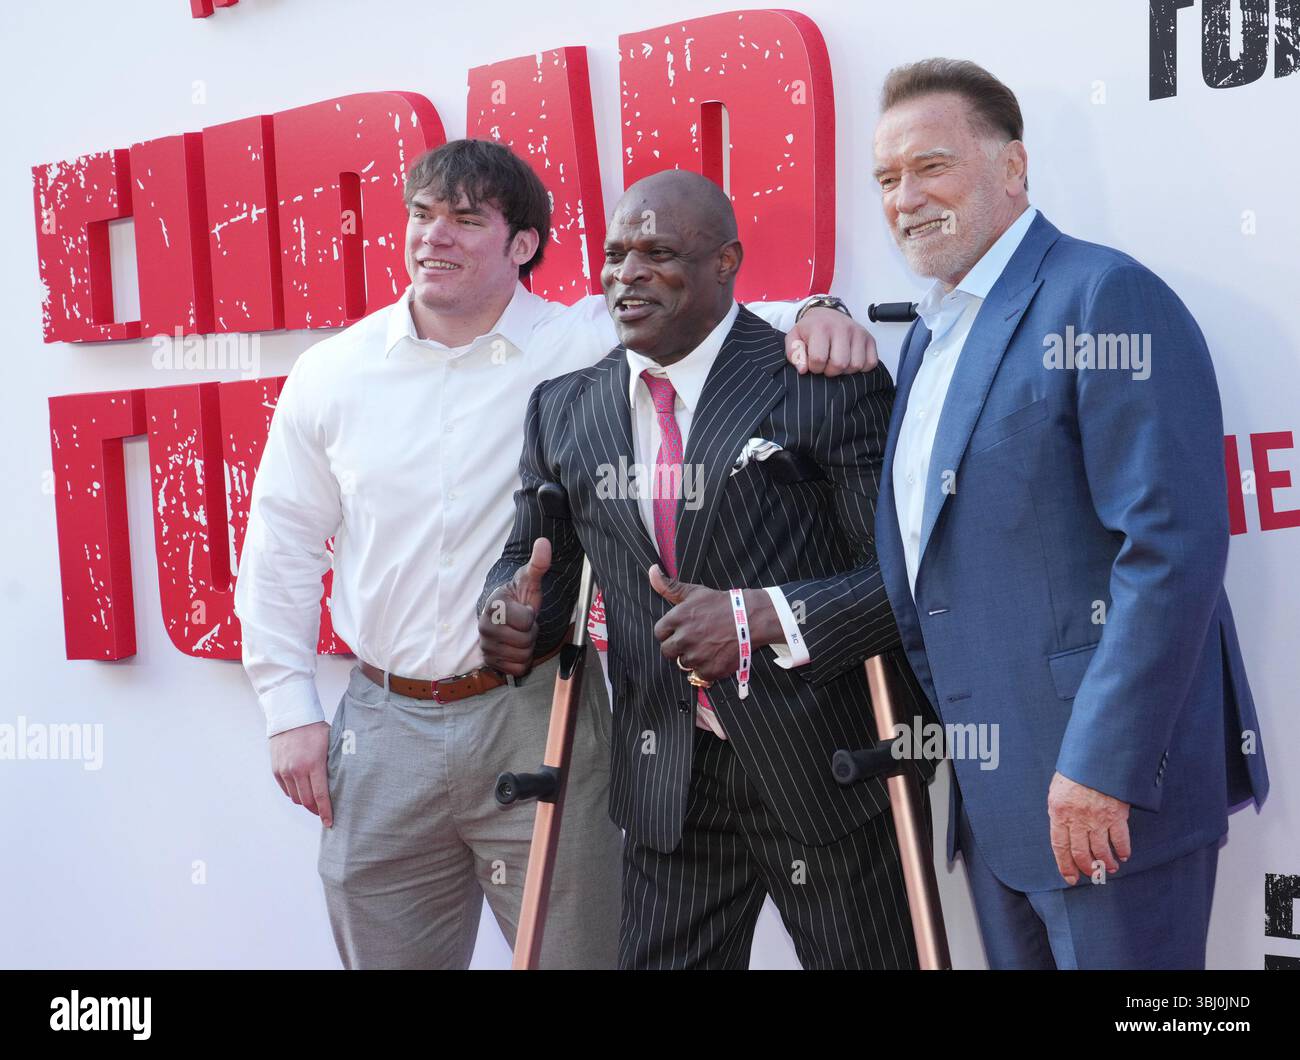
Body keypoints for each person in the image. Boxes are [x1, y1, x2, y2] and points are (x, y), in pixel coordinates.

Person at [233, 138, 879, 969]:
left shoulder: (584, 342)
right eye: (423, 216)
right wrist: (289, 710)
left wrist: (821, 309)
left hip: (542, 717)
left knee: (582, 953)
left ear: (524, 245)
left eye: (467, 220)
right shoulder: (331, 372)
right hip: (382, 722)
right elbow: (282, 545)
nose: (435, 237)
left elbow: (721, 316)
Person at [478, 169, 935, 970]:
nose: (629, 274)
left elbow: (908, 579)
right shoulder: (563, 409)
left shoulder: (821, 382)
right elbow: (533, 566)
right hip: (667, 786)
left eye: (659, 252)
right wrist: (511, 617)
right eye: (617, 254)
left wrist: (765, 616)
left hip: (824, 774)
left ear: (727, 262)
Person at [869, 58, 1269, 969]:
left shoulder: (1100, 296)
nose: (905, 198)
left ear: (1012, 168)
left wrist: (1100, 766)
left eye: (932, 166)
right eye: (887, 179)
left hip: (1107, 800)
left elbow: (1170, 547)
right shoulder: (931, 335)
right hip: (997, 806)